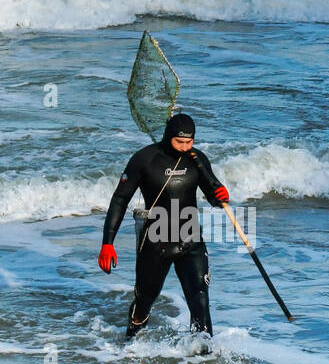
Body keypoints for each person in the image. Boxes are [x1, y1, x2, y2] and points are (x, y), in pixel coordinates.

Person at [98, 112, 230, 339]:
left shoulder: (198, 159)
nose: (185, 147)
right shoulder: (145, 159)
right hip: (156, 241)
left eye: (190, 142)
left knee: (200, 300)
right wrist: (108, 243)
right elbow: (120, 199)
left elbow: (213, 195)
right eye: (180, 142)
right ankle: (130, 348)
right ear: (169, 136)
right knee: (144, 301)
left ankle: (203, 357)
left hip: (191, 239)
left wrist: (220, 196)